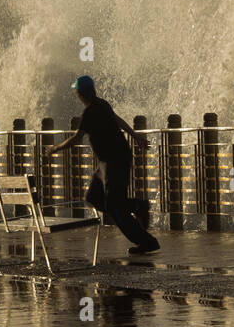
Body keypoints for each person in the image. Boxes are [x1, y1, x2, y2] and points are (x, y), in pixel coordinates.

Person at [48, 75, 160, 254]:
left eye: (77, 92)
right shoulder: (103, 104)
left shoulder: (91, 111)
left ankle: (146, 240)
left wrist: (55, 148)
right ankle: (136, 206)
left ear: (81, 94)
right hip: (106, 164)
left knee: (115, 207)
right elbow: (118, 120)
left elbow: (76, 139)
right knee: (94, 197)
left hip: (114, 162)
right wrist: (135, 136)